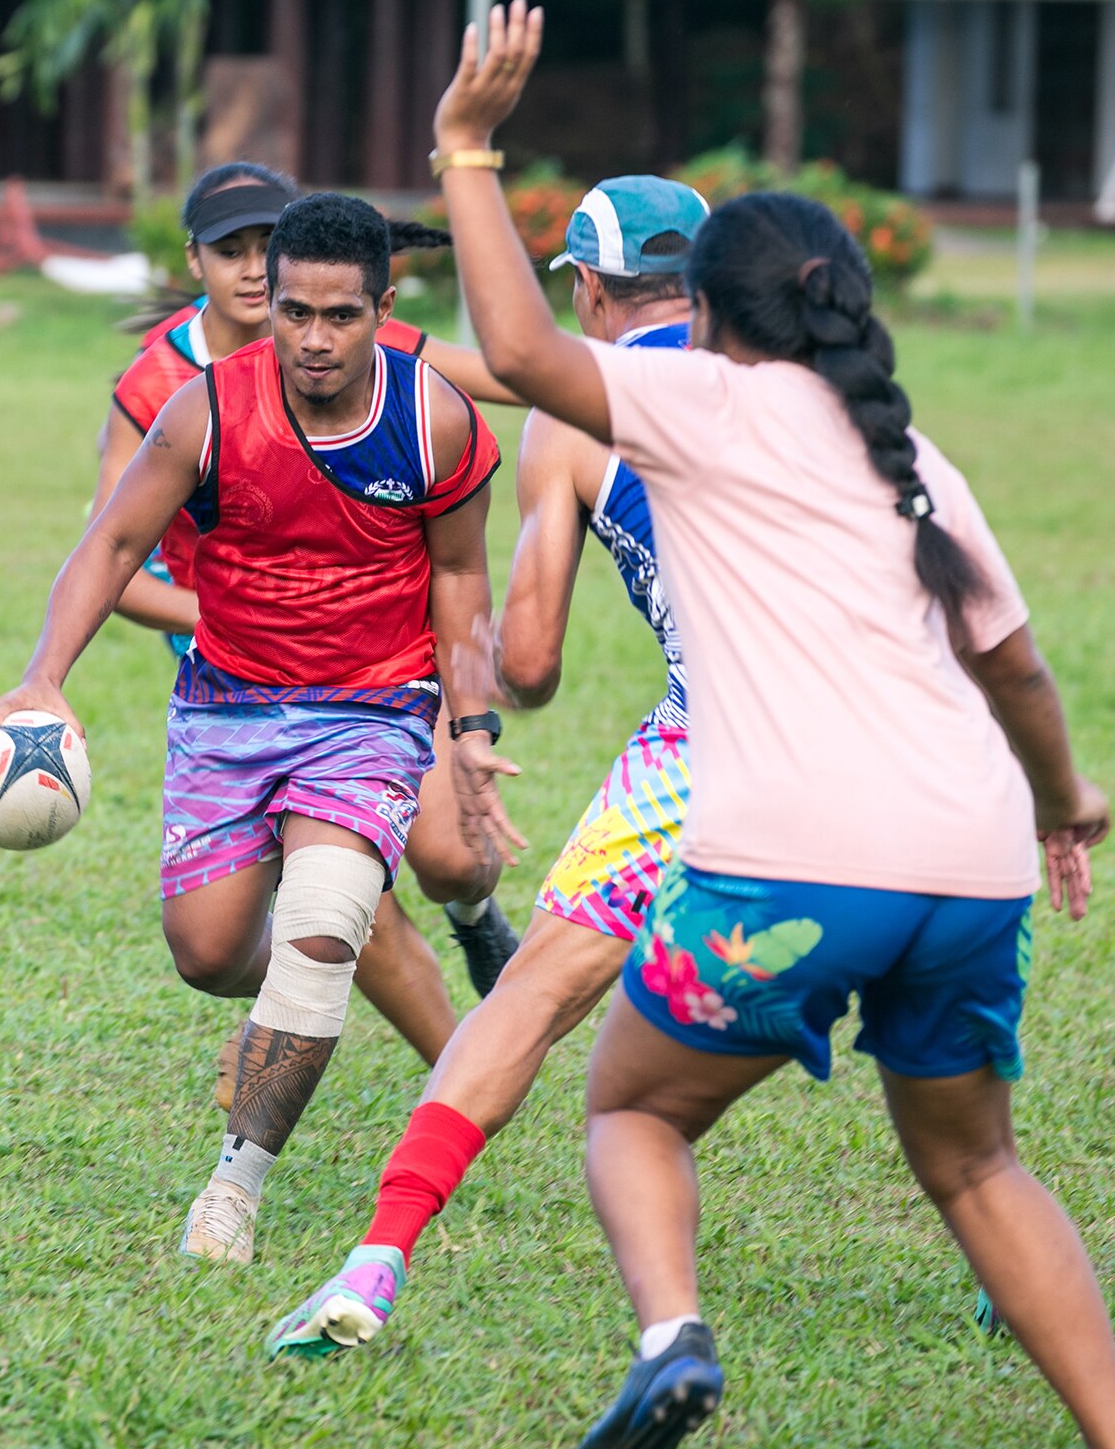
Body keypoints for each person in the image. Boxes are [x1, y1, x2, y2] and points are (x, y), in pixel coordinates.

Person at [425, 1, 1115, 1449]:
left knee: (633, 1113)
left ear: (719, 318)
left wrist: (466, 148)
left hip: (801, 864)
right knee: (980, 1172)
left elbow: (512, 342)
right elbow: (1016, 670)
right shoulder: (913, 453)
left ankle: (673, 1338)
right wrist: (1065, 801)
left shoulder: (700, 407)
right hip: (975, 862)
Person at [0, 192, 522, 1267]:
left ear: (384, 309)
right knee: (210, 951)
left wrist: (471, 723)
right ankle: (296, 997)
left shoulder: (435, 416)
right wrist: (43, 680)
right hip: (226, 711)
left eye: (343, 317)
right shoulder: (203, 411)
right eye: (297, 314)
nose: (316, 339)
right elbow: (112, 544)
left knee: (320, 925)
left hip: (373, 709)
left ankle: (234, 1188)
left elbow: (458, 572)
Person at [266, 173, 712, 1358]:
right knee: (915, 984)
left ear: (590, 293)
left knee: (533, 997)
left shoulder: (570, 422)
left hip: (707, 740)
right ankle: (995, 1243)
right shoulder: (799, 388)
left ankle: (376, 1262)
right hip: (877, 739)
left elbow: (530, 660)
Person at [96, 165, 524, 1021]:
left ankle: (472, 919)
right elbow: (113, 564)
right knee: (323, 920)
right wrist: (250, 614)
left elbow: (513, 375)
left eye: (268, 246)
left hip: (382, 672)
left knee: (445, 859)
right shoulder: (160, 390)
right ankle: (459, 1080)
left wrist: (628, 391)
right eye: (232, 250)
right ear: (196, 261)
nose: (254, 269)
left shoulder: (352, 344)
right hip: (240, 688)